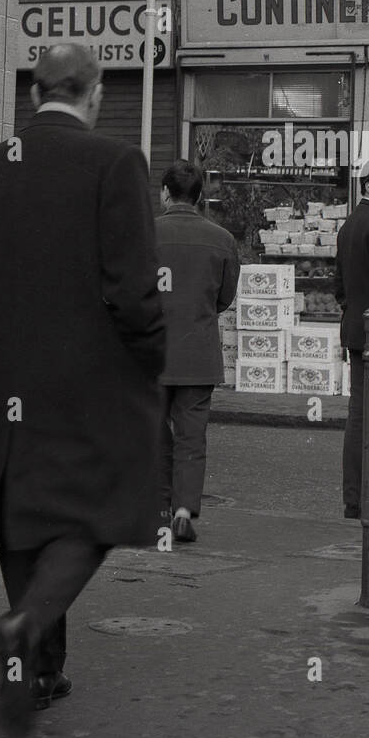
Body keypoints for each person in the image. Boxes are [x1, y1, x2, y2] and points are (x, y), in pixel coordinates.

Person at [0, 45, 166, 728]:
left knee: (24, 517)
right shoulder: (115, 164)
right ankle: (24, 626)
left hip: (13, 385)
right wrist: (150, 359)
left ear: (33, 96)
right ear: (93, 95)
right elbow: (132, 287)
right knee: (102, 510)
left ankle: (36, 672)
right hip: (97, 381)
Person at [154, 159, 241, 545]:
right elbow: (225, 298)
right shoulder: (222, 239)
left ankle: (158, 510)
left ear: (164, 193)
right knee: (192, 437)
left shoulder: (143, 234)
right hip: (198, 353)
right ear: (201, 196)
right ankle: (184, 510)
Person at [334, 155, 369, 520]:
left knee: (358, 415)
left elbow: (339, 286)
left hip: (356, 329)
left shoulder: (349, 224)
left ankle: (354, 496)